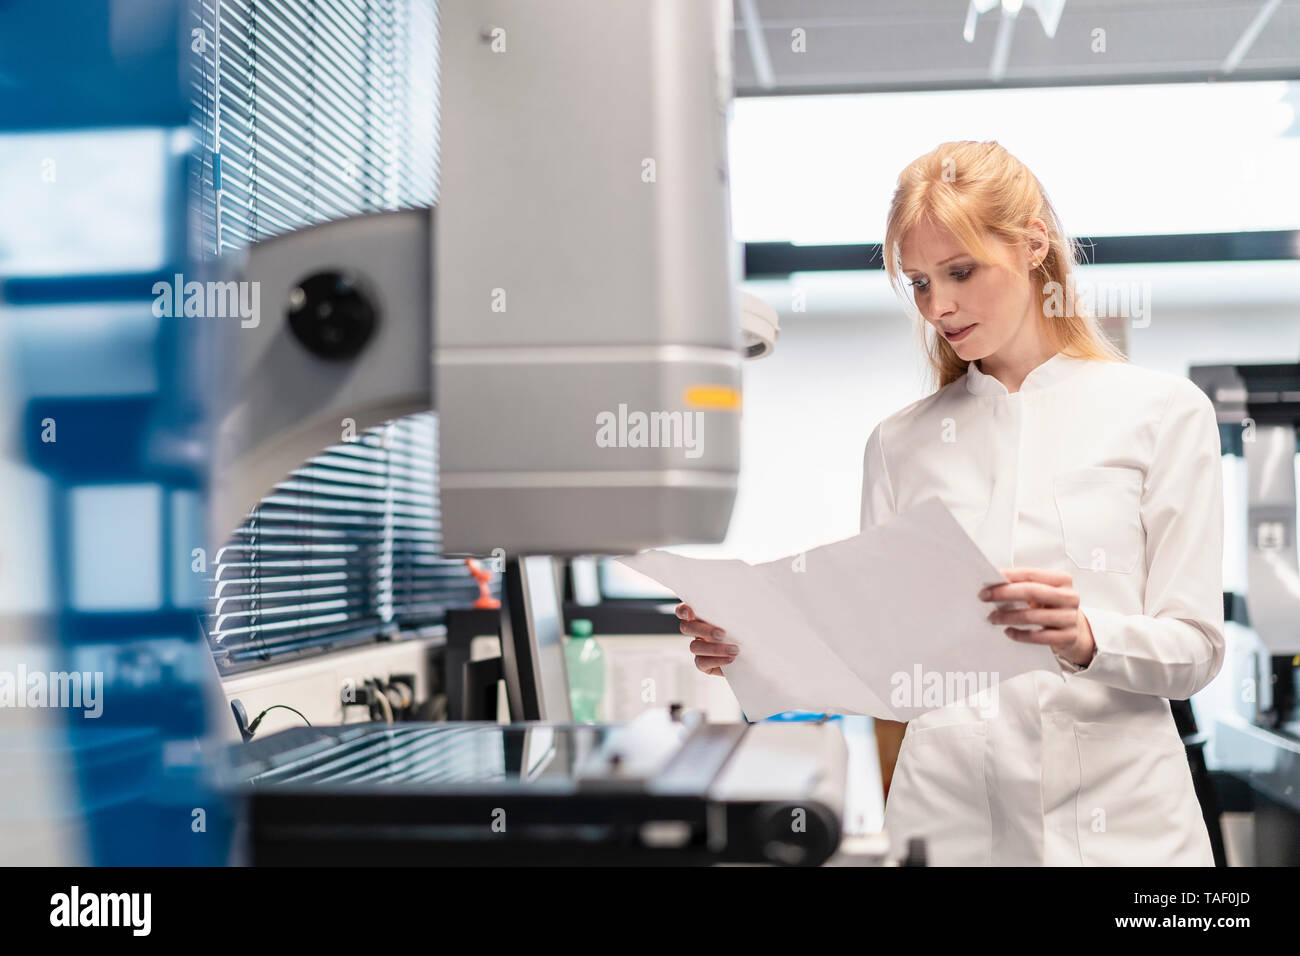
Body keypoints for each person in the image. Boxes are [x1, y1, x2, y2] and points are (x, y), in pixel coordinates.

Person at [678, 140, 1224, 866]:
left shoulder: (1162, 414)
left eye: (960, 272)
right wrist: (760, 651)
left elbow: (1195, 648)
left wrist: (1086, 636)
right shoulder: (899, 444)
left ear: (1034, 245)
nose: (939, 306)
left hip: (1124, 831)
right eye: (920, 283)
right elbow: (886, 662)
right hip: (950, 823)